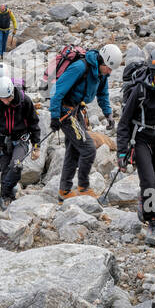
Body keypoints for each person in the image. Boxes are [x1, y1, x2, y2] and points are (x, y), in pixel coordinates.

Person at [116, 47, 155, 234]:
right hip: (142, 139)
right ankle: (152, 221)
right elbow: (125, 122)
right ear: (152, 74)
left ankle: (144, 202)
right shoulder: (140, 90)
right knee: (149, 181)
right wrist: (121, 151)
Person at [50, 43, 121, 200]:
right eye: (108, 68)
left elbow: (103, 94)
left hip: (75, 109)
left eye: (111, 70)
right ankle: (83, 187)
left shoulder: (102, 73)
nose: (109, 72)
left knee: (74, 150)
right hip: (65, 112)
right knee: (88, 148)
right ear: (102, 61)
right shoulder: (80, 68)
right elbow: (58, 91)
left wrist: (108, 114)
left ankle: (65, 191)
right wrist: (54, 117)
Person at [0, 74, 40, 209]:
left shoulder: (25, 101)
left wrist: (36, 146)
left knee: (16, 166)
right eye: (2, 99)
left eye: (8, 98)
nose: (6, 102)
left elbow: (34, 124)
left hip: (21, 139)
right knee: (6, 170)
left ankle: (4, 194)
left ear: (12, 92)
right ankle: (8, 196)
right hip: (1, 140)